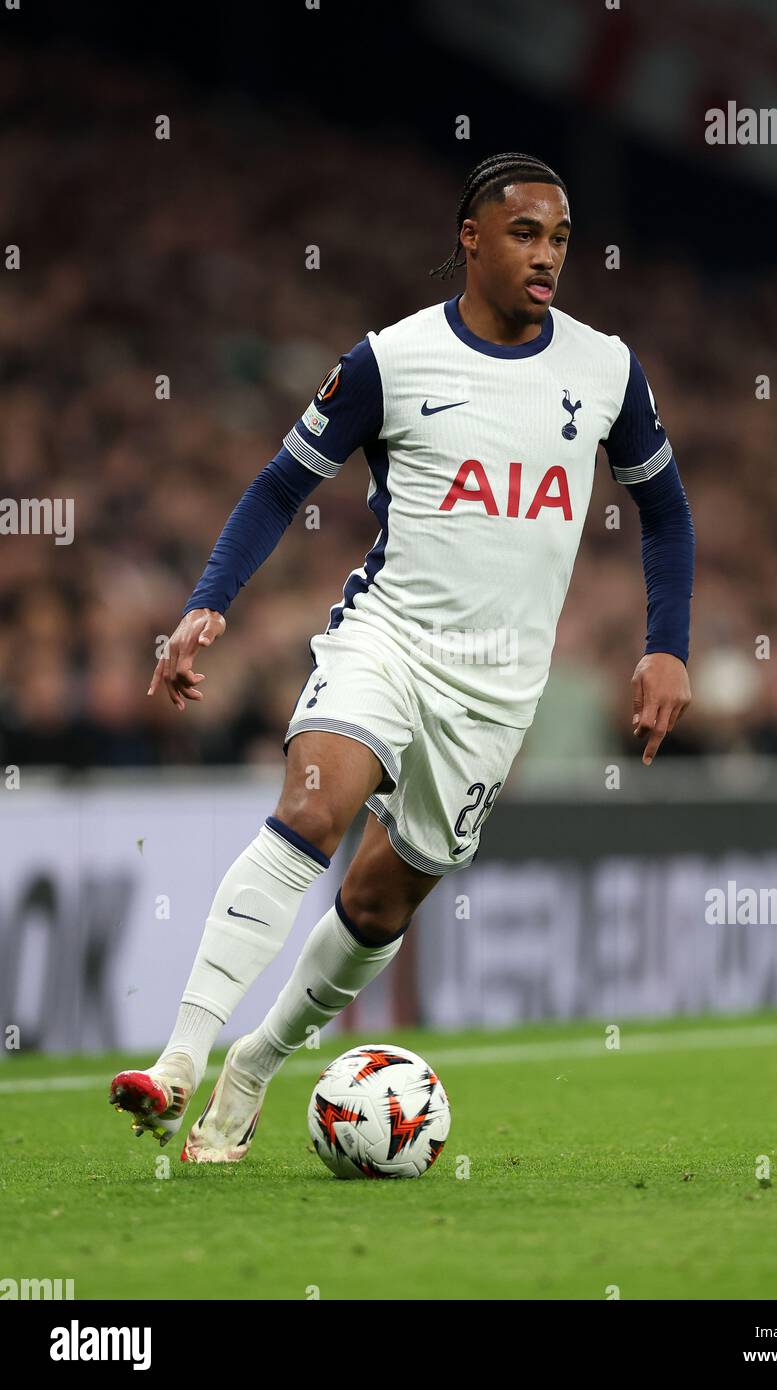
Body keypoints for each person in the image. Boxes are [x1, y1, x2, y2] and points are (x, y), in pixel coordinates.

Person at [109, 151, 695, 1162]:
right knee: (309, 807)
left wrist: (667, 648)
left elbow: (665, 514)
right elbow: (277, 486)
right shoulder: (393, 358)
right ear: (470, 238)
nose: (547, 255)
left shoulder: (606, 368)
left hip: (497, 691)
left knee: (379, 900)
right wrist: (207, 605)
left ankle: (253, 1068)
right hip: (388, 642)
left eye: (559, 238)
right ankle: (179, 1060)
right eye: (524, 234)